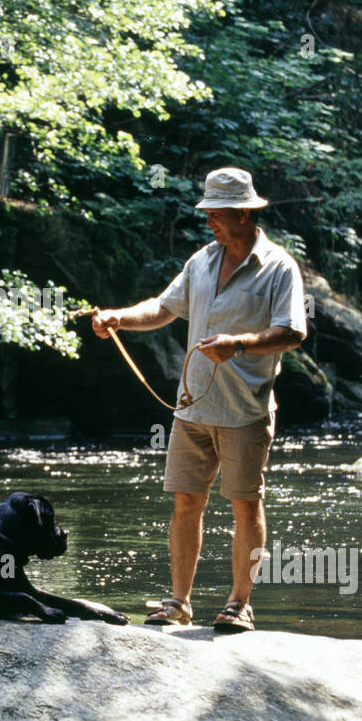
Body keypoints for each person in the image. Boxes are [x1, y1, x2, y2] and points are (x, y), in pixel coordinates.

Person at [92, 167, 306, 633]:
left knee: (245, 505)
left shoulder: (279, 267)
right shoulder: (202, 261)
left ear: (246, 214)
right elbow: (164, 308)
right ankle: (178, 603)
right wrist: (119, 318)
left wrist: (240, 344)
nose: (208, 219)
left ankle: (239, 605)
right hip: (191, 409)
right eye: (207, 211)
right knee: (186, 502)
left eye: (217, 212)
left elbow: (292, 332)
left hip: (245, 410)